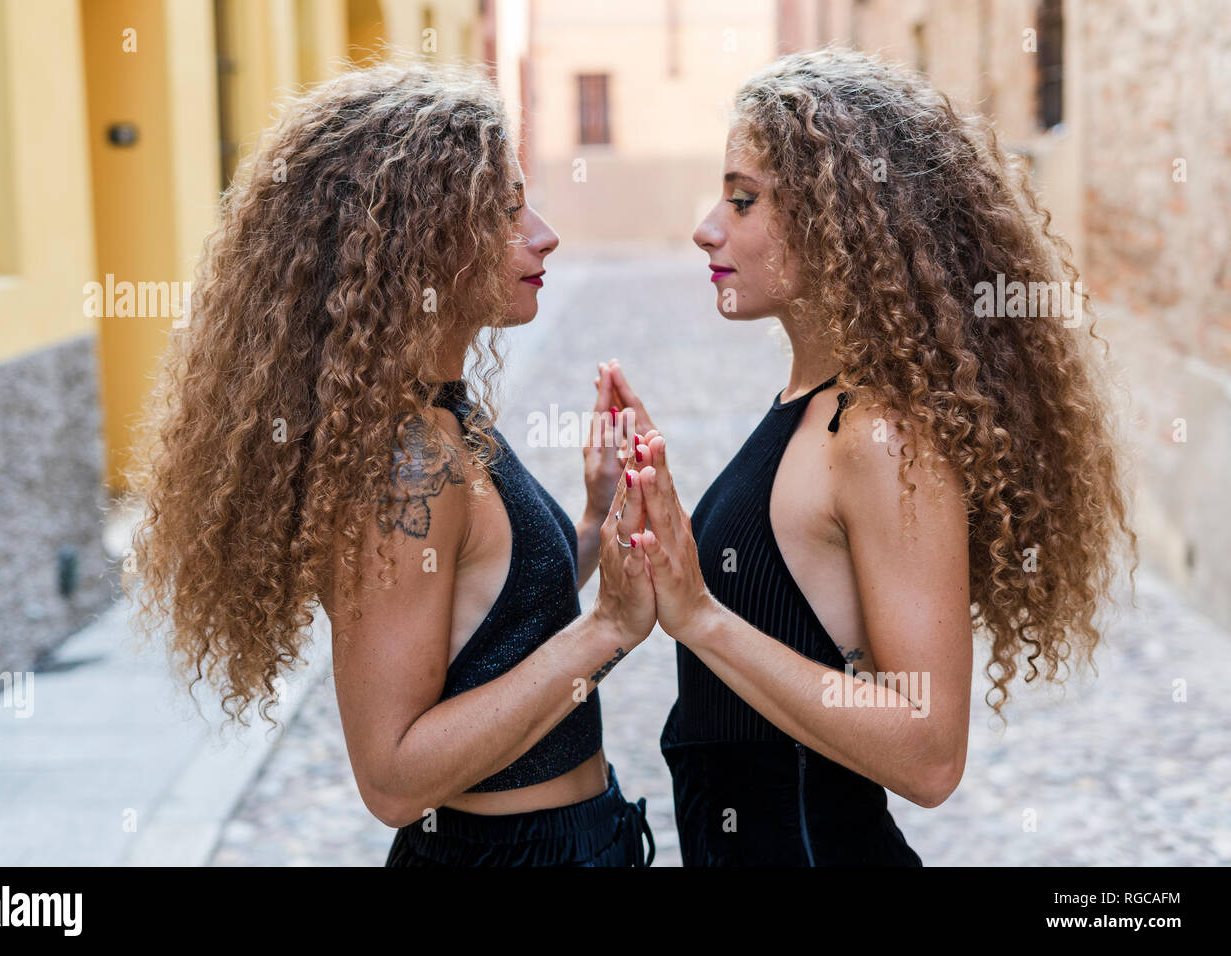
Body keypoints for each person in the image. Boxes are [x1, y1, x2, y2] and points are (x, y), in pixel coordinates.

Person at [608, 48, 1138, 866]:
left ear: (837, 221)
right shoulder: (810, 401)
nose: (706, 227)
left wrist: (703, 621)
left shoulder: (877, 435)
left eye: (743, 200)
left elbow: (928, 755)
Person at [126, 59, 656, 867]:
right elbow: (394, 776)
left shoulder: (439, 410)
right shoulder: (402, 462)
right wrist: (608, 633)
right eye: (507, 212)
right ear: (419, 241)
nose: (543, 233)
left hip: (573, 838)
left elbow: (492, 625)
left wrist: (593, 520)